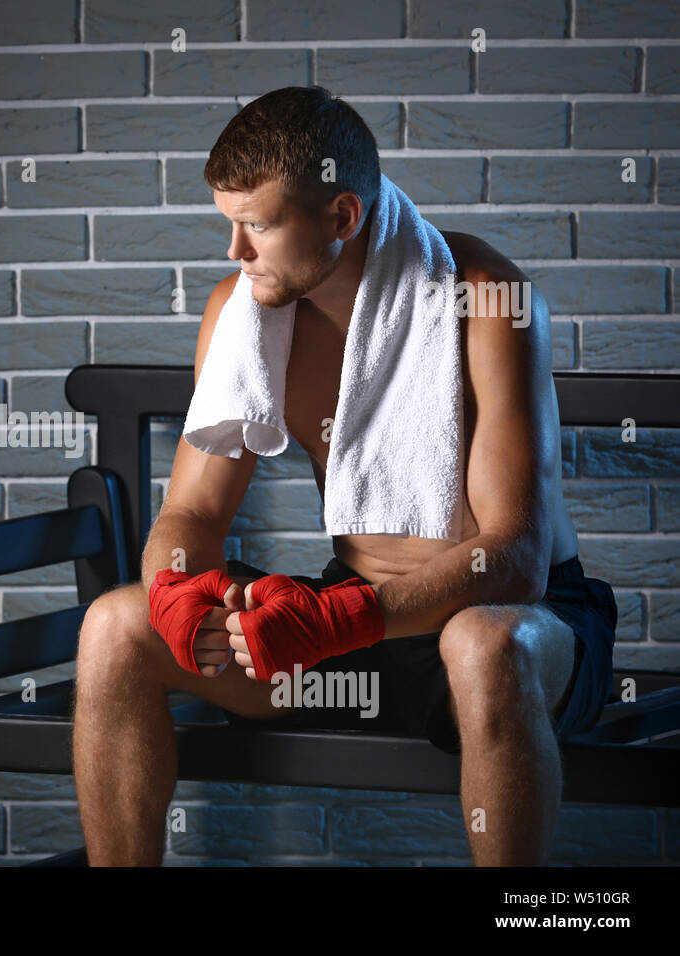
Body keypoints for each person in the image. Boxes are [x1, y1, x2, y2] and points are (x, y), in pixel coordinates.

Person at [71, 86, 618, 867]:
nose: (234, 251)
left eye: (257, 225)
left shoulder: (486, 298)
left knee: (480, 646)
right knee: (116, 627)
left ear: (342, 217)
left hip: (518, 625)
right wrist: (175, 592)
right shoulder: (242, 311)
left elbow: (517, 558)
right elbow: (190, 516)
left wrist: (334, 622)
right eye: (229, 222)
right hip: (354, 629)